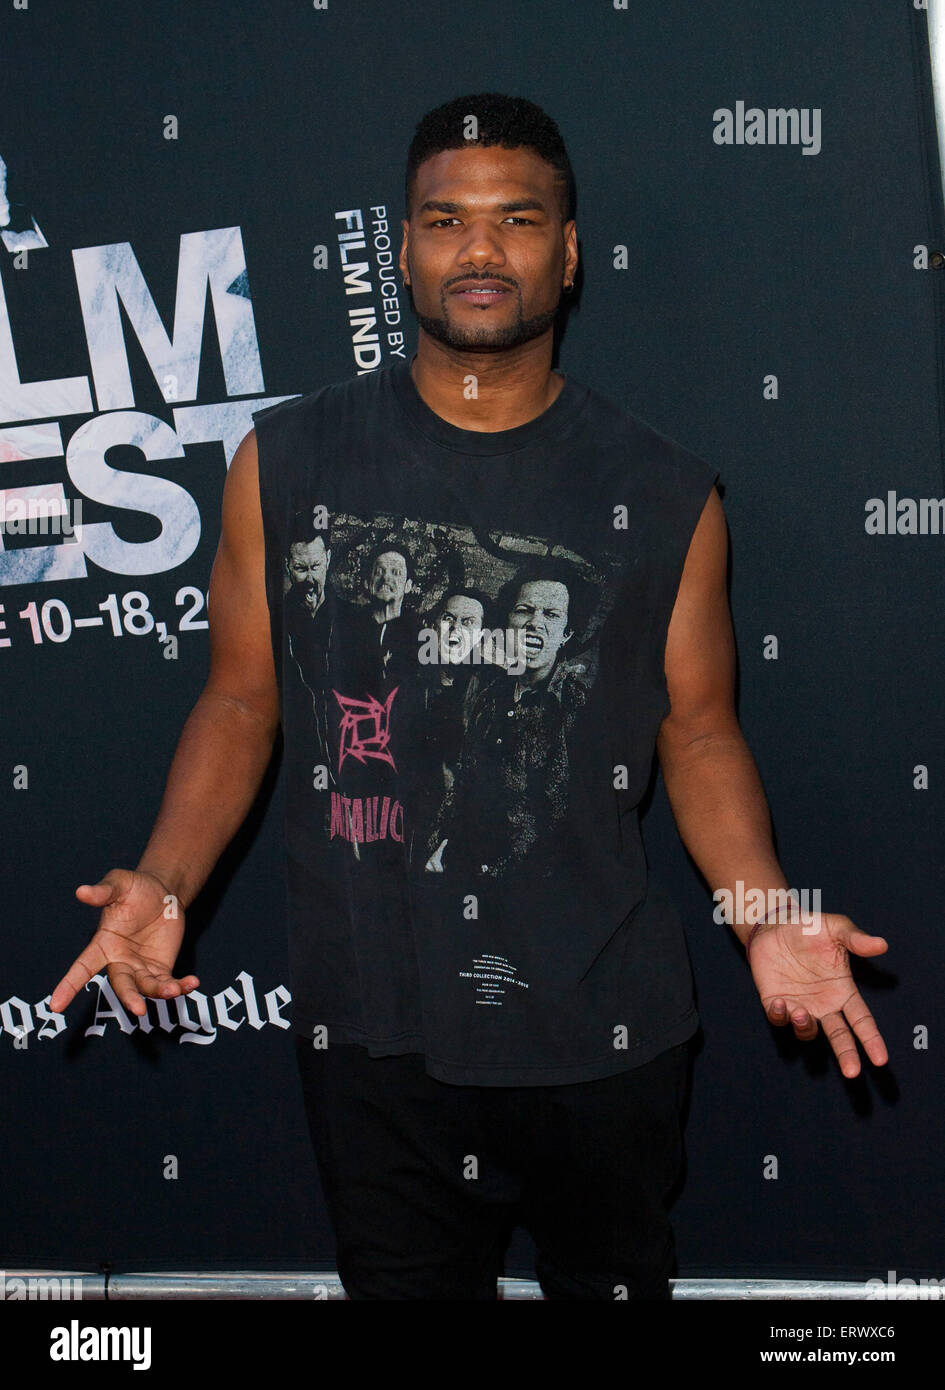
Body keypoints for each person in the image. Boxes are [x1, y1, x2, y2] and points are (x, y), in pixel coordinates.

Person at [49, 92, 890, 1301]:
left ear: (570, 249)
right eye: (446, 219)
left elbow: (699, 733)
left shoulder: (662, 491)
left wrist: (762, 913)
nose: (481, 251)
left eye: (518, 219)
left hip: (601, 1027)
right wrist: (165, 876)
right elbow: (241, 702)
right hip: (375, 1027)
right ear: (400, 248)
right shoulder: (284, 463)